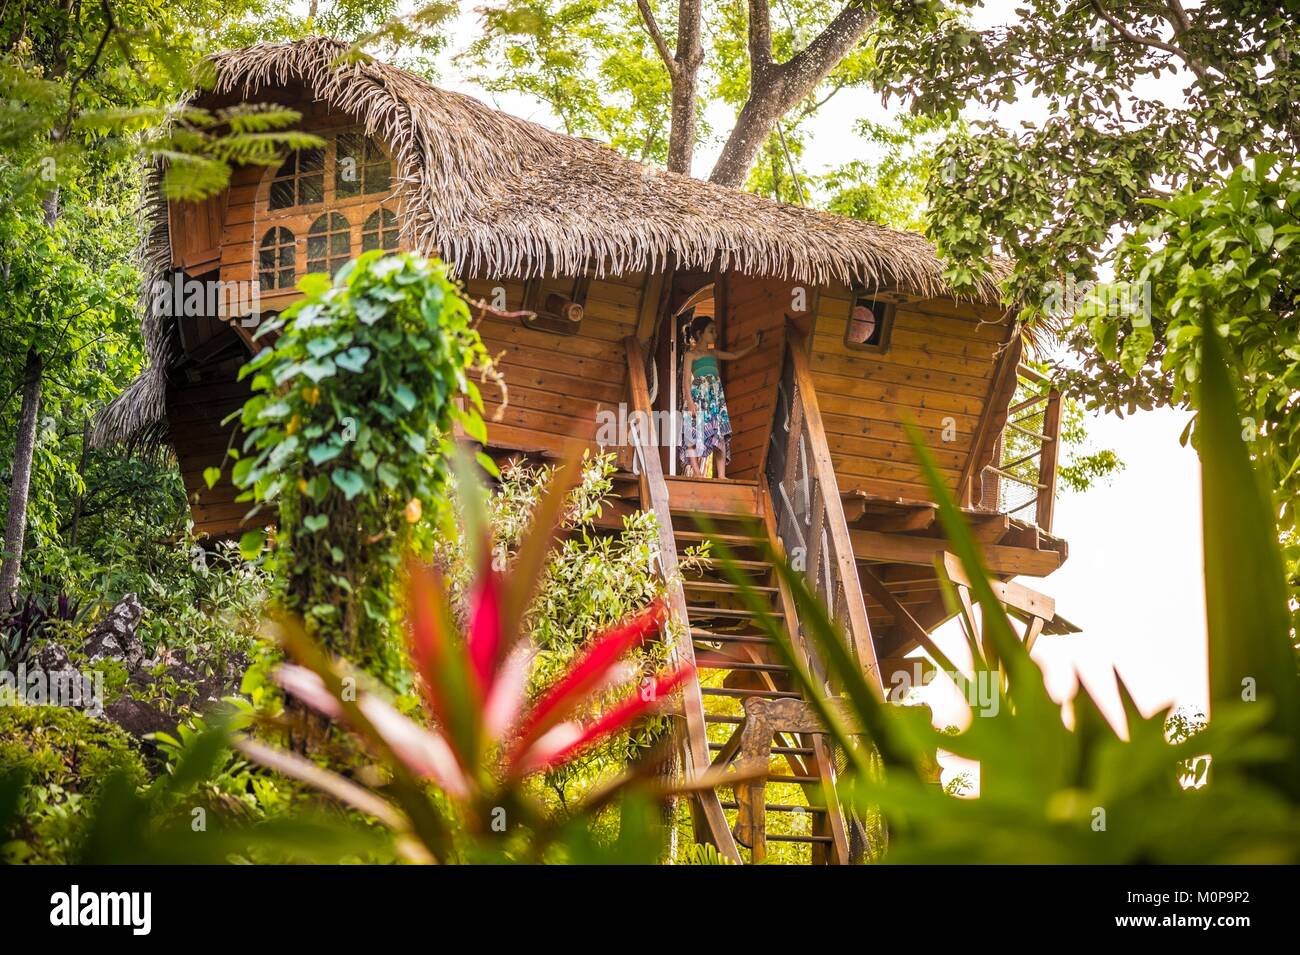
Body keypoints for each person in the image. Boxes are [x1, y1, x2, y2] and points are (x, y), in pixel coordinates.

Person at [680, 317, 762, 479]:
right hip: (698, 400)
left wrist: (754, 345)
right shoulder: (691, 355)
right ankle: (697, 473)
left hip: (715, 401)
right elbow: (686, 381)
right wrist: (690, 402)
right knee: (693, 434)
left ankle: (722, 476)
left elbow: (735, 355)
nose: (715, 334)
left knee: (720, 434)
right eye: (711, 331)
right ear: (699, 333)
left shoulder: (714, 353)